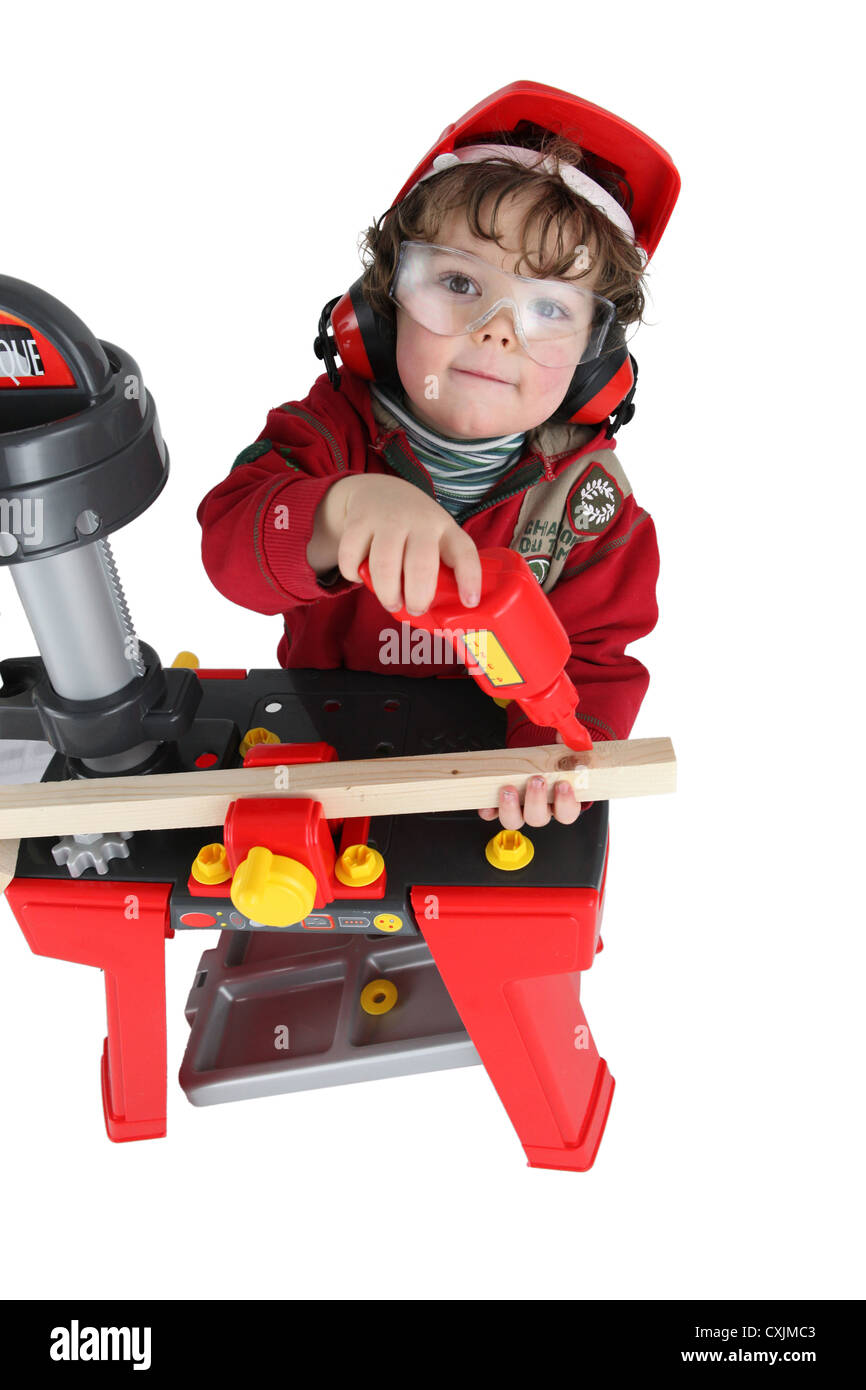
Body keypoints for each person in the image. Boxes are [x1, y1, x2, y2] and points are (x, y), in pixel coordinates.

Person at [196, 82, 679, 829]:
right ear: (386, 303)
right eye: (459, 282)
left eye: (549, 308)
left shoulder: (591, 508)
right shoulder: (327, 433)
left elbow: (595, 664)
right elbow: (231, 546)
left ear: (593, 361)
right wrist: (339, 510)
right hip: (327, 764)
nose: (497, 331)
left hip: (488, 792)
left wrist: (548, 754)